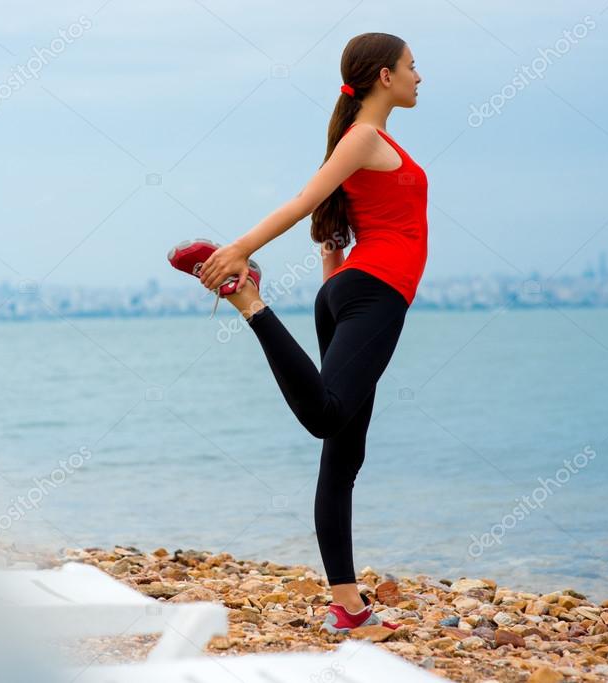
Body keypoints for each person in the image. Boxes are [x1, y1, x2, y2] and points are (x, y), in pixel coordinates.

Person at [167, 32, 426, 634]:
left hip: (346, 287)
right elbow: (304, 200)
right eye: (413, 67)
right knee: (327, 419)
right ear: (384, 76)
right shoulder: (364, 137)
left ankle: (348, 608)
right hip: (374, 293)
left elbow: (339, 220)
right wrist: (238, 250)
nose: (420, 77)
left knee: (343, 455)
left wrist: (332, 272)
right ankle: (250, 301)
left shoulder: (369, 143)